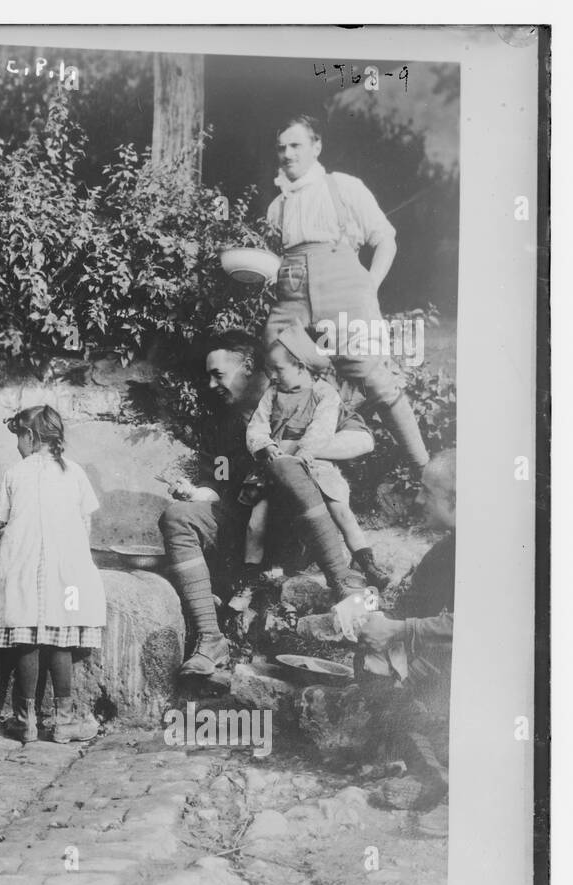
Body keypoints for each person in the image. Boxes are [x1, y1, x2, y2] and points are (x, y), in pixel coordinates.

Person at [159, 330, 372, 676]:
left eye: (218, 375)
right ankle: (211, 640)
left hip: (299, 524)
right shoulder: (223, 424)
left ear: (246, 366)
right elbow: (218, 482)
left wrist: (289, 452)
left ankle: (341, 579)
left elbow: (362, 440)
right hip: (248, 528)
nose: (212, 385)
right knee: (176, 517)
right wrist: (196, 493)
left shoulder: (307, 397)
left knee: (285, 466)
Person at [264, 114, 430, 476]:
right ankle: (282, 474)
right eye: (281, 147)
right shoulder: (278, 206)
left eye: (296, 145)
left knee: (376, 381)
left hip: (343, 291)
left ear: (316, 147)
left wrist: (370, 284)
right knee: (274, 371)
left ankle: (424, 471)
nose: (287, 154)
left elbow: (385, 237)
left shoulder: (342, 187)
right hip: (291, 296)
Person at [0, 406, 105, 744]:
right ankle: (64, 722)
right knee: (61, 639)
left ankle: (26, 721)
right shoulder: (76, 472)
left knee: (26, 637)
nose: (17, 446)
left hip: (23, 571)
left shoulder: (14, 473)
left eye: (18, 438)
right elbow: (85, 526)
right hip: (69, 577)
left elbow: (1, 524)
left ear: (31, 437)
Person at [240, 328, 389, 590]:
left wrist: (305, 452)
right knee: (256, 522)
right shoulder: (272, 394)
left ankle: (367, 563)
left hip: (312, 465)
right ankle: (249, 579)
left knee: (341, 511)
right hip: (274, 468)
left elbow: (321, 429)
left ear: (301, 366)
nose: (272, 376)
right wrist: (265, 447)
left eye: (278, 369)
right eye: (269, 369)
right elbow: (257, 426)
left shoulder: (324, 393)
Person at [351, 450, 455, 805]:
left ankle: (451, 787)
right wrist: (369, 617)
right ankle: (429, 772)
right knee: (373, 662)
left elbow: (480, 627)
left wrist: (398, 630)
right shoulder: (443, 553)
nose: (418, 499)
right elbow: (410, 612)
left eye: (427, 492)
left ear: (455, 500)